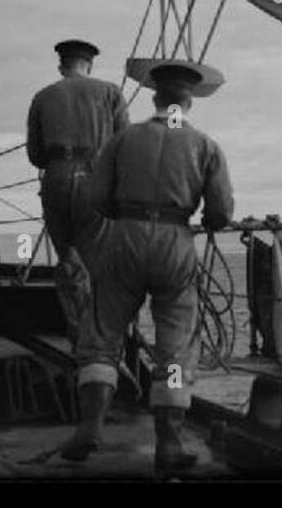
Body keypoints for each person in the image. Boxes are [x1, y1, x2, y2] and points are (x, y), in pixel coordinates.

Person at [62, 60, 233, 471]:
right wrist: (205, 220)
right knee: (175, 344)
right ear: (189, 100)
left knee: (102, 333)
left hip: (125, 237)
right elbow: (221, 210)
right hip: (176, 242)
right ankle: (169, 443)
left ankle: (89, 427)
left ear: (155, 96)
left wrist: (124, 214)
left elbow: (97, 198)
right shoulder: (207, 146)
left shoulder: (122, 140)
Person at [26, 39, 129, 351]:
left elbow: (35, 155)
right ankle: (101, 343)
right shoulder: (110, 92)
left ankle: (77, 338)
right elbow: (123, 145)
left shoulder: (42, 97)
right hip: (94, 179)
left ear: (61, 66)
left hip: (56, 179)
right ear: (90, 65)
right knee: (97, 262)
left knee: (69, 262)